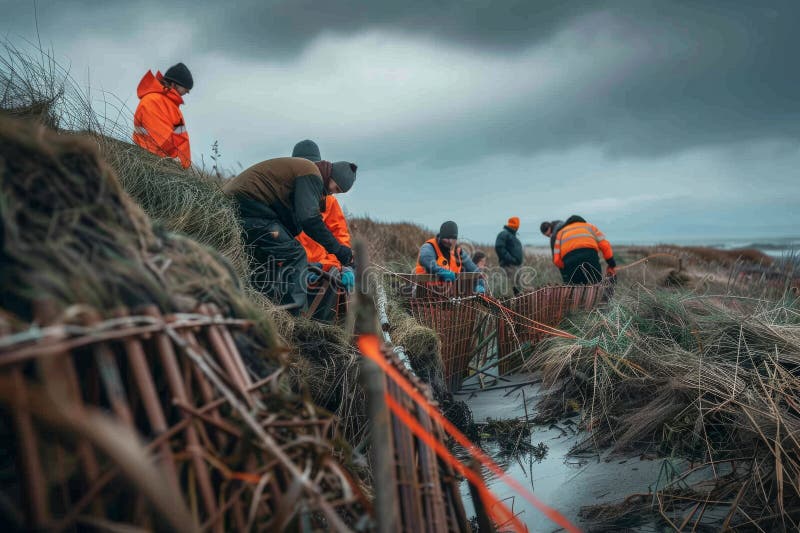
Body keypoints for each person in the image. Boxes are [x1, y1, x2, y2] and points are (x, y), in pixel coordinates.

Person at [223, 156, 357, 313]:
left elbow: (296, 221)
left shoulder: (308, 176)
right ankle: (293, 317)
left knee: (269, 261)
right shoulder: (312, 174)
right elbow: (309, 220)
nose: (333, 193)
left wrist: (321, 264)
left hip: (245, 208)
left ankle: (262, 307)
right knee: (296, 254)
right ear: (333, 178)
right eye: (337, 188)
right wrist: (340, 251)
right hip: (248, 207)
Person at [292, 139, 355, 321]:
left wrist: (338, 265)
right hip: (290, 269)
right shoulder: (285, 194)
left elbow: (340, 238)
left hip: (322, 272)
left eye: (311, 166)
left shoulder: (329, 201)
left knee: (323, 319)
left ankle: (321, 338)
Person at [133, 63, 193, 168]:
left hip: (168, 167)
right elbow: (161, 142)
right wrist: (176, 164)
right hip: (154, 166)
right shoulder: (153, 101)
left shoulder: (169, 104)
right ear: (174, 84)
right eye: (185, 88)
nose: (187, 92)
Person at [415, 221, 483, 293]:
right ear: (441, 236)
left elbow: (474, 271)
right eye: (447, 238)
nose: (450, 241)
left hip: (448, 295)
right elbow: (425, 259)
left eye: (453, 238)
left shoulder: (459, 252)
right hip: (425, 293)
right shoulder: (429, 246)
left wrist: (479, 284)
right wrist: (441, 272)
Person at [550, 215, 616, 285]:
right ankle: (597, 295)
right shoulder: (590, 227)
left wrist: (565, 270)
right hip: (590, 255)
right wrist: (611, 263)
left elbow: (556, 259)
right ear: (582, 221)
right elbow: (605, 245)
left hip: (569, 260)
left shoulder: (560, 233)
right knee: (596, 283)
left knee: (574, 288)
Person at [495, 216, 523, 295]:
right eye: (517, 225)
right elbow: (499, 247)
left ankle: (517, 304)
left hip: (515, 266)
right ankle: (512, 305)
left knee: (517, 288)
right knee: (513, 287)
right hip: (509, 266)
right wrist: (511, 259)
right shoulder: (504, 234)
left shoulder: (511, 235)